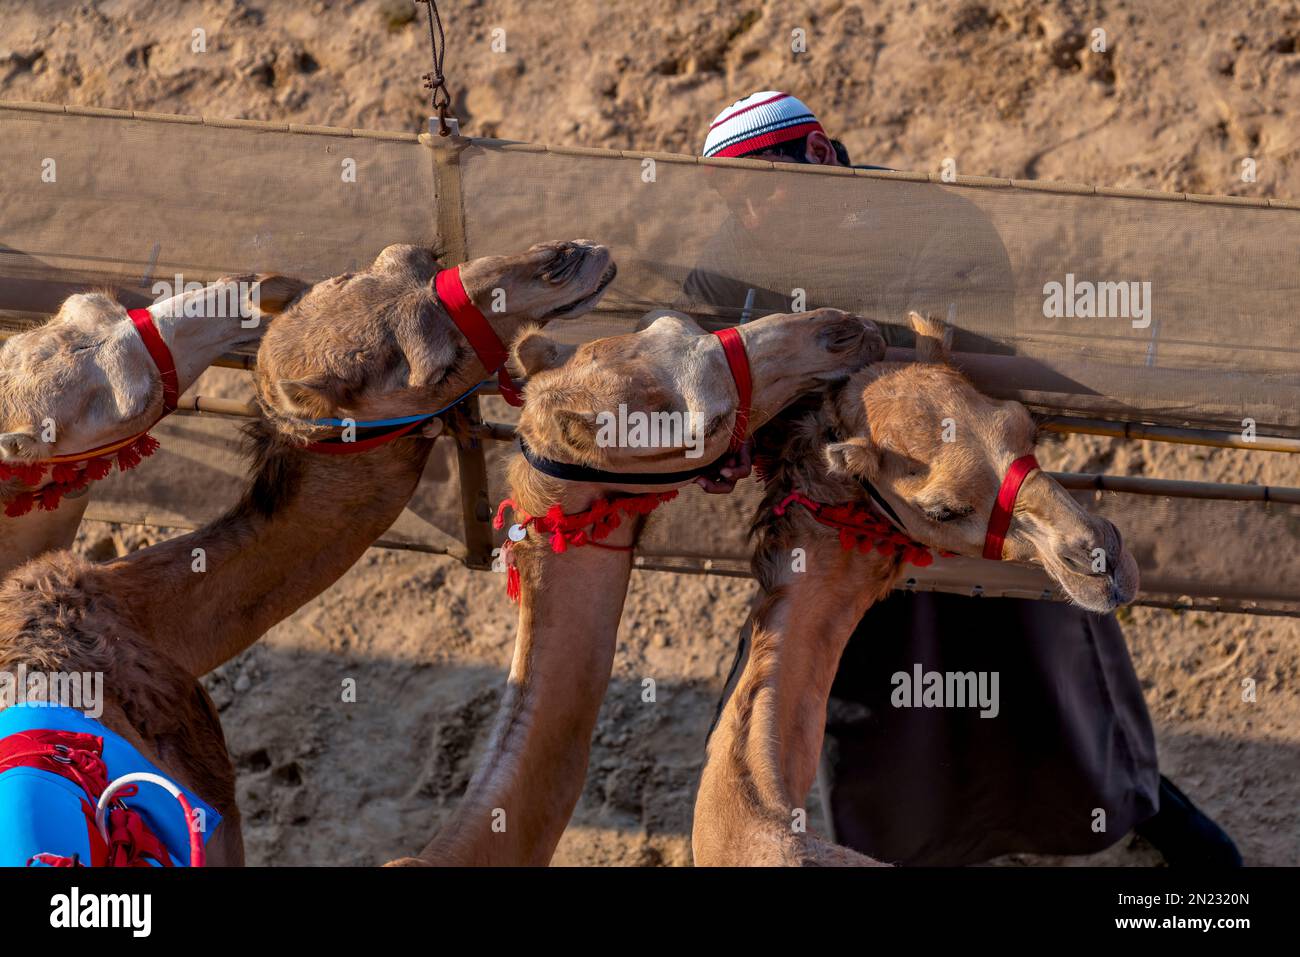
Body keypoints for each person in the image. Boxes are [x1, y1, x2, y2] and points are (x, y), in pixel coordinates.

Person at [690, 90, 1241, 866]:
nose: (748, 216)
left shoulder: (934, 225)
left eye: (759, 191)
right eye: (732, 201)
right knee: (819, 689)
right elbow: (719, 360)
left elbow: (959, 391)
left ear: (818, 155)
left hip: (968, 512)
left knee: (1050, 688)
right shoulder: (728, 263)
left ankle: (1184, 842)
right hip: (844, 526)